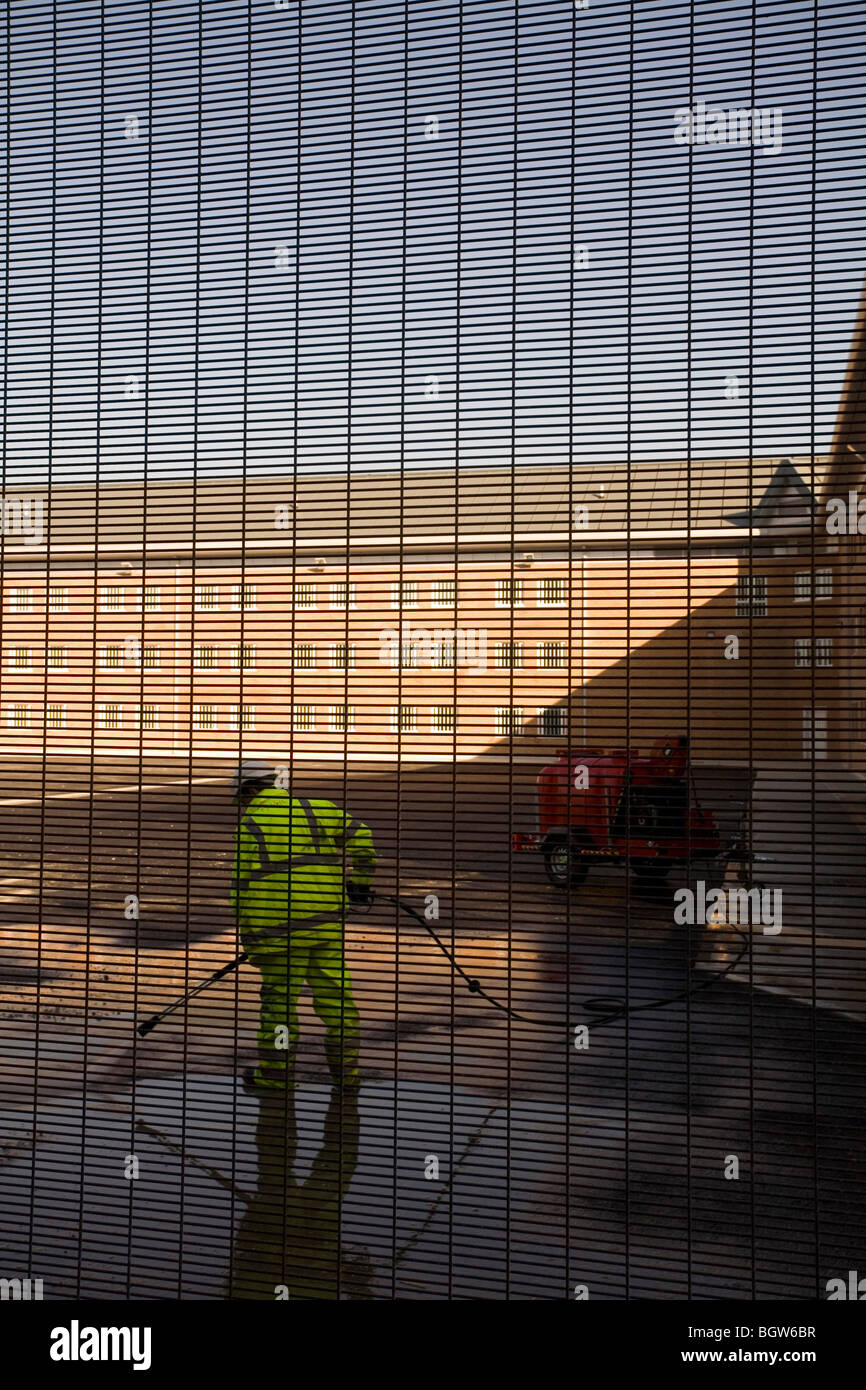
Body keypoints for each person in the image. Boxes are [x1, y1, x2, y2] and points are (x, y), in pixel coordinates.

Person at [230, 760, 376, 1091]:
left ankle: (276, 1076)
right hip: (325, 927)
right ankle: (347, 1076)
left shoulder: (251, 824)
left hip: (278, 935)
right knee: (338, 1001)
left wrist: (250, 939)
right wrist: (361, 882)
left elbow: (239, 889)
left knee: (279, 1009)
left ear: (251, 791)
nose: (242, 807)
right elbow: (362, 837)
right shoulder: (316, 809)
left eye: (242, 799)